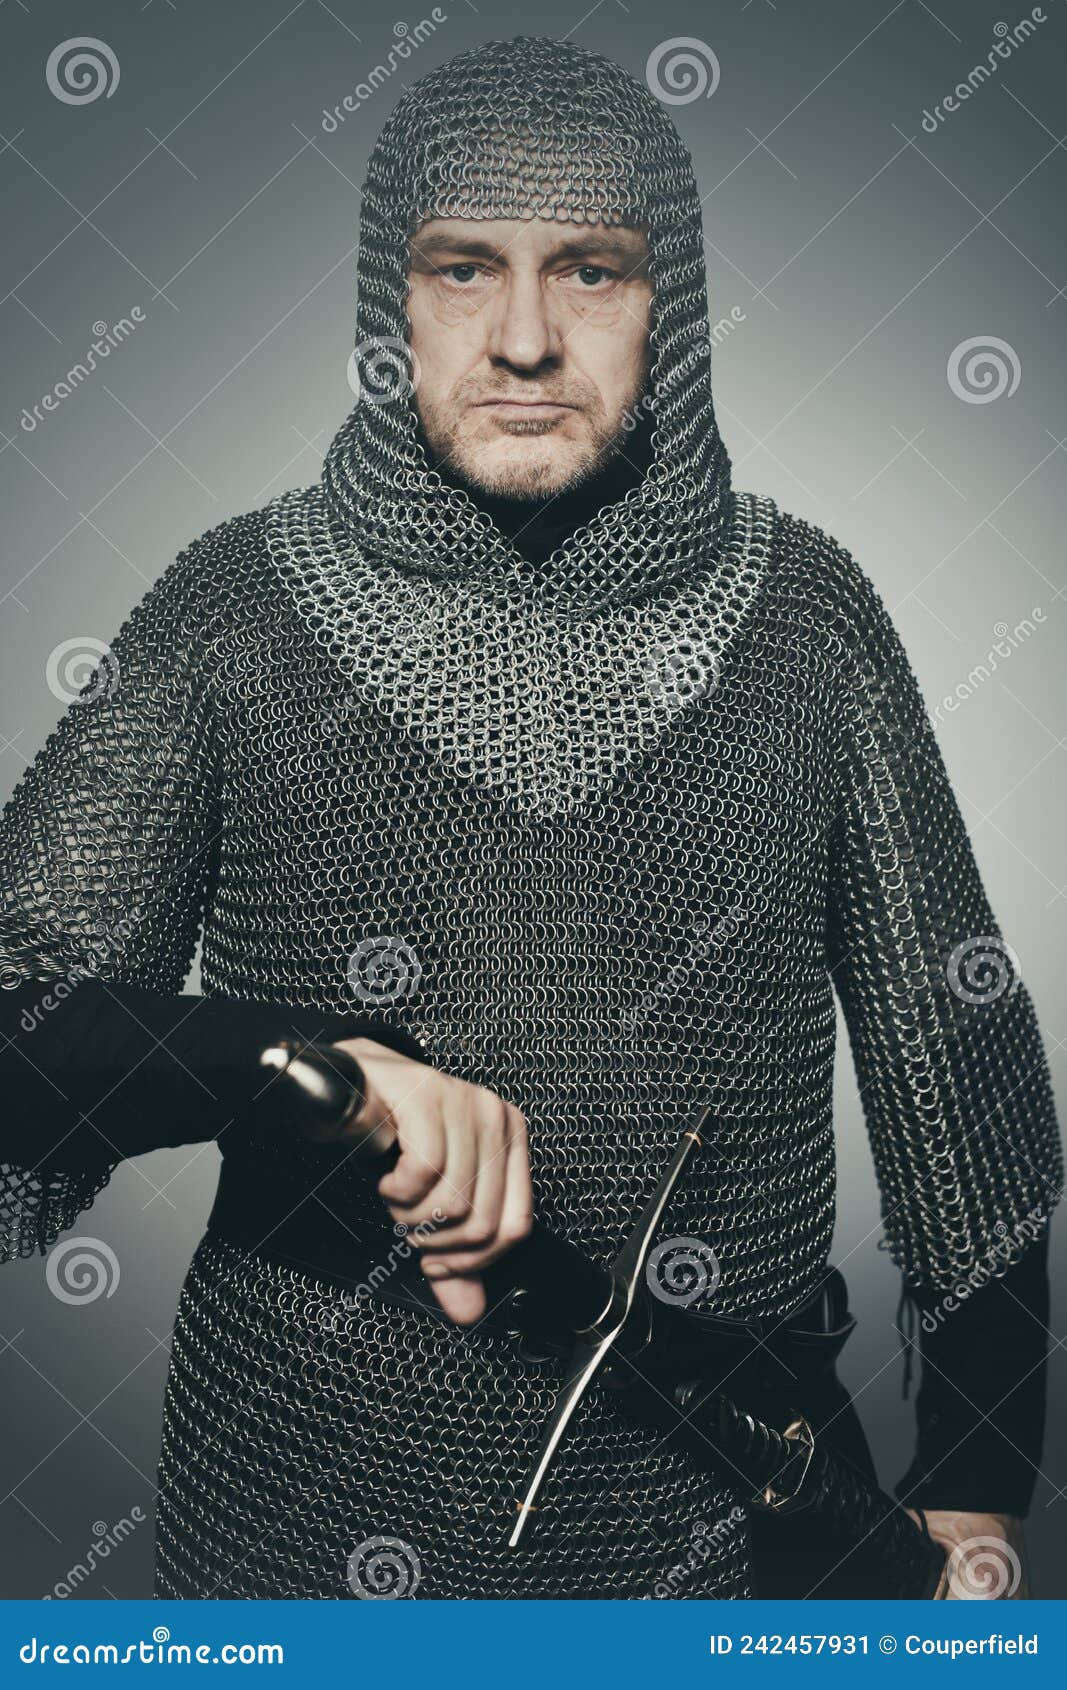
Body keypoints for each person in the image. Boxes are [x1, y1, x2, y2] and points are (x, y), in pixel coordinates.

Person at [0, 35, 1060, 1601]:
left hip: (724, 1512)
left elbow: (952, 1059)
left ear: (670, 308)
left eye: (591, 272)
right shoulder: (237, 613)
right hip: (304, 1499)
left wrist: (978, 1463)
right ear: (393, 302)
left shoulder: (807, 618)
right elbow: (21, 1036)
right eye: (461, 269)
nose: (523, 338)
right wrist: (303, 1067)